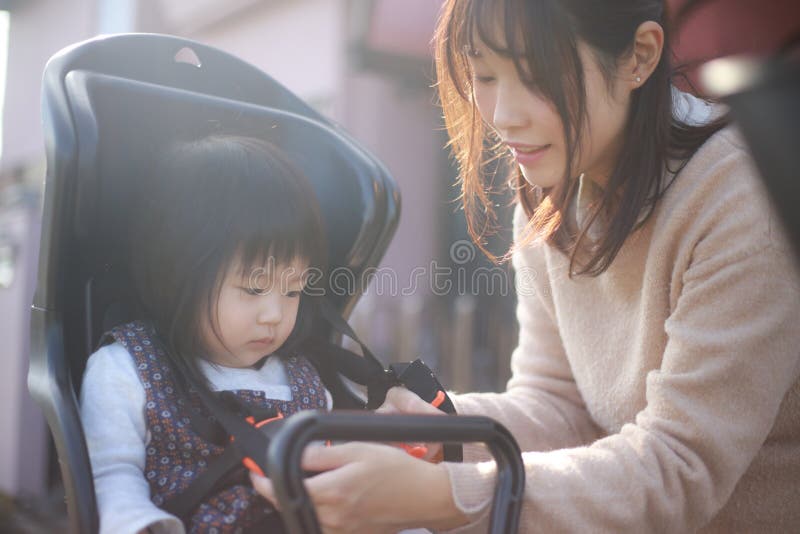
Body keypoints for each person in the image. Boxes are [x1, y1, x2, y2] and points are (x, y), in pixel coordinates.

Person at [250, 1, 800, 532]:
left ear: (639, 56)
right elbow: (560, 407)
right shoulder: (551, 191)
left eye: (537, 76)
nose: (503, 116)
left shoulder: (739, 199)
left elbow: (680, 468)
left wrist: (444, 496)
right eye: (483, 75)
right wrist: (435, 425)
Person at [79, 134, 331, 533]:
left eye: (293, 290)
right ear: (181, 277)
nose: (274, 314)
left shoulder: (306, 381)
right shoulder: (128, 371)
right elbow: (111, 477)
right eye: (253, 288)